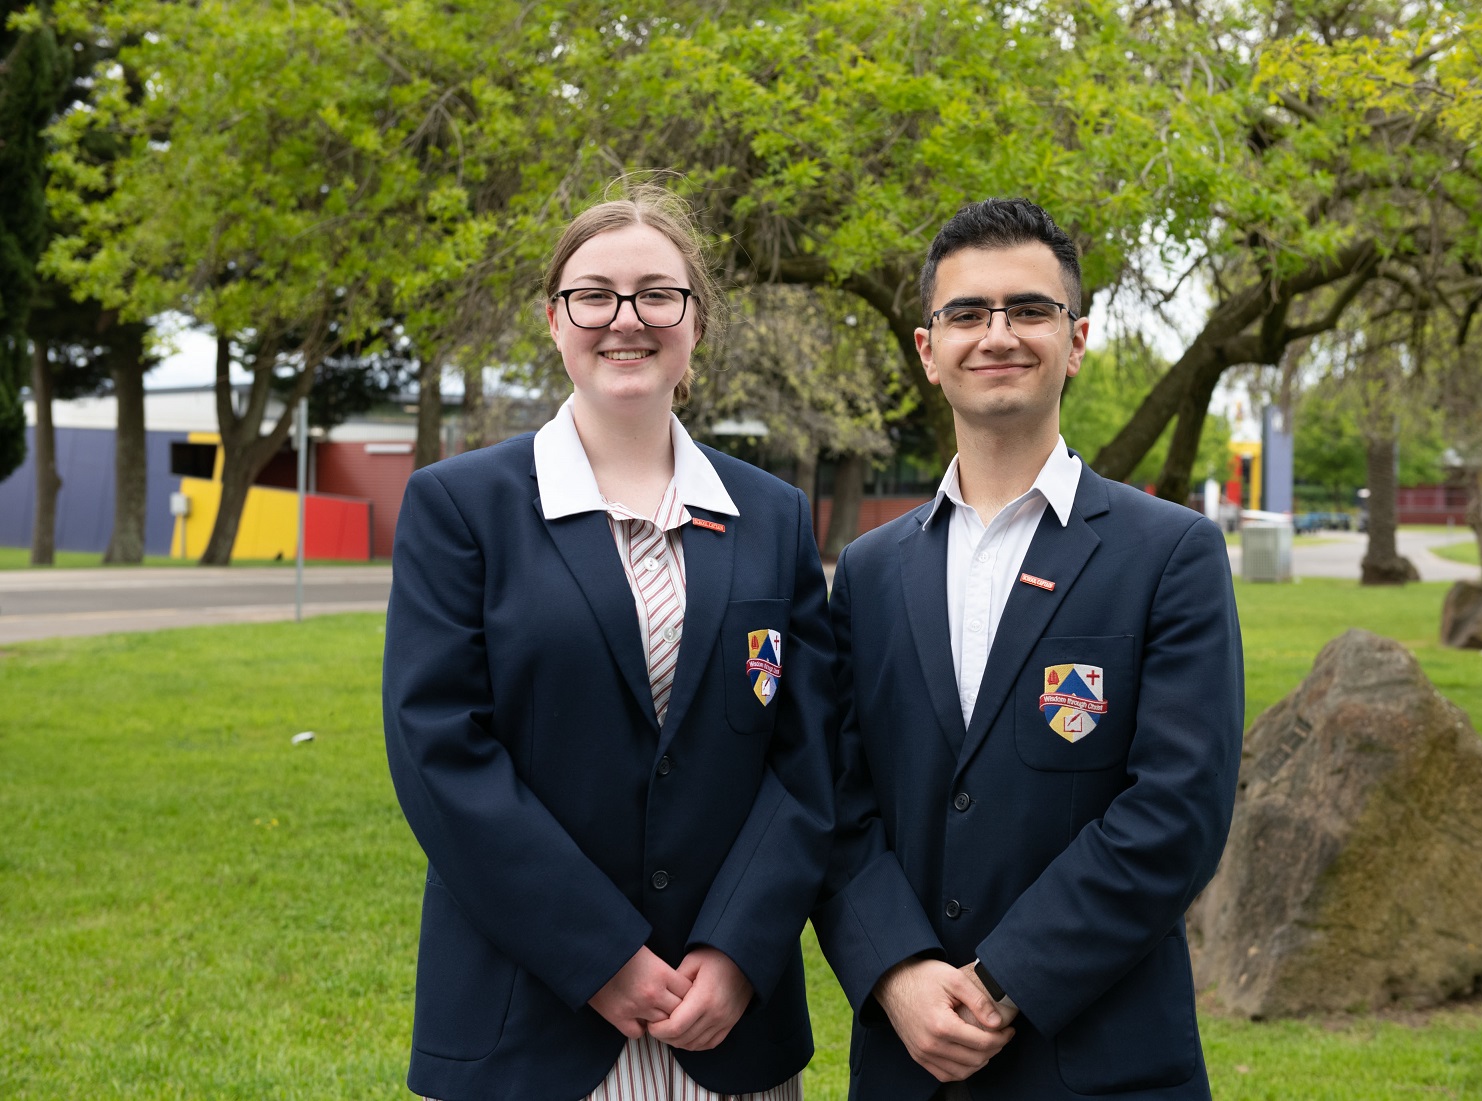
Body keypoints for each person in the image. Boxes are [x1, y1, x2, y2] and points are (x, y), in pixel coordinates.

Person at [383, 185, 835, 1101]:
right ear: (555, 321)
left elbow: (810, 756)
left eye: (657, 294)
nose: (625, 319)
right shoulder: (461, 508)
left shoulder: (774, 517)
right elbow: (441, 753)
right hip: (531, 1018)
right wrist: (600, 954)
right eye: (595, 294)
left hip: (729, 1027)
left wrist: (739, 949)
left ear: (695, 323)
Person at [813, 198, 1243, 1100]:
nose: (996, 333)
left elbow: (1177, 810)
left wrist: (1004, 978)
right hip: (907, 1062)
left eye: (1029, 309)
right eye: (966, 313)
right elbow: (835, 799)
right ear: (928, 351)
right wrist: (896, 971)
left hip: (1102, 1059)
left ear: (1076, 340)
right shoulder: (868, 571)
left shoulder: (1169, 554)